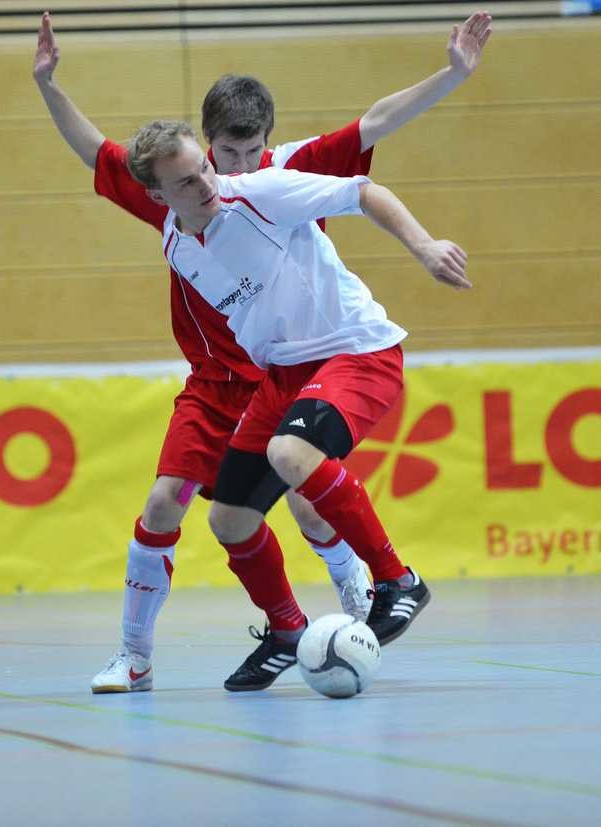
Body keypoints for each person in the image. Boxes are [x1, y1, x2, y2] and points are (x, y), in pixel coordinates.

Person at [32, 10, 492, 693]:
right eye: (223, 158)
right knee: (215, 513)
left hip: (328, 354)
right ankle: (260, 630)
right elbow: (97, 150)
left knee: (302, 478)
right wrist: (47, 85)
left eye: (252, 152)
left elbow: (374, 131)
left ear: (267, 145)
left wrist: (453, 76)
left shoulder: (274, 181)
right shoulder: (170, 209)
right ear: (199, 152)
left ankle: (378, 585)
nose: (231, 174)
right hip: (233, 379)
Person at [125, 121, 471, 690]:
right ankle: (286, 629)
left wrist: (425, 246)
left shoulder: (260, 193)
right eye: (187, 183)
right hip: (284, 374)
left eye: (206, 169)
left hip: (356, 350)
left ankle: (396, 579)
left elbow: (363, 192)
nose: (208, 186)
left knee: (290, 452)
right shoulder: (176, 245)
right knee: (228, 519)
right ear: (160, 197)